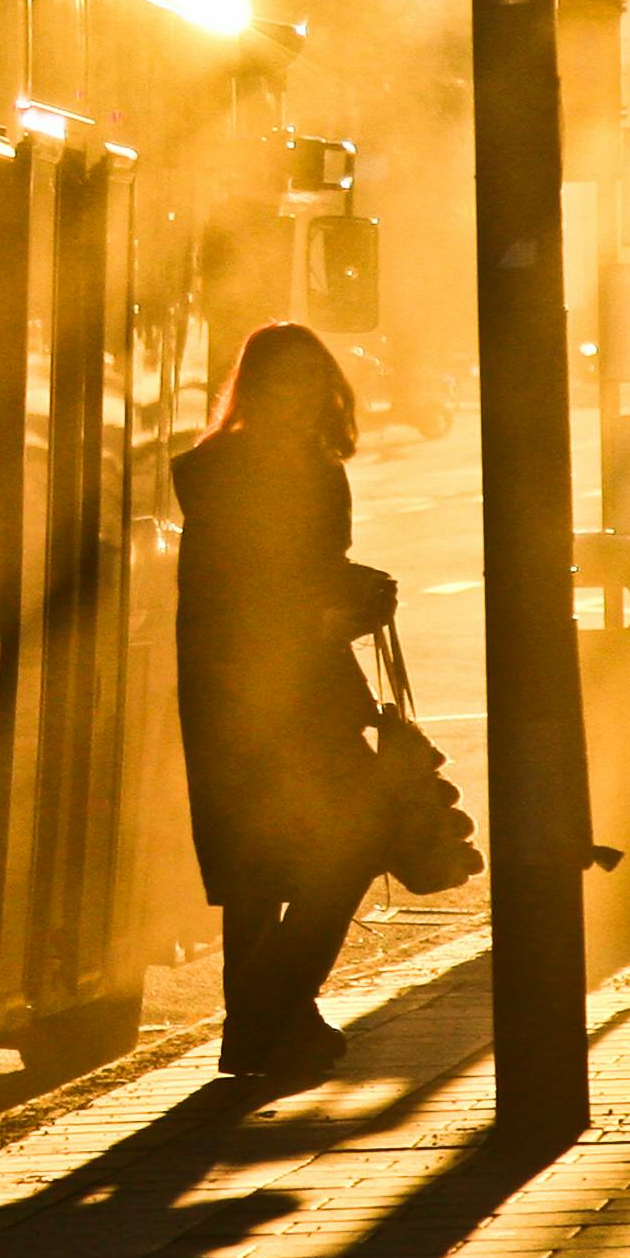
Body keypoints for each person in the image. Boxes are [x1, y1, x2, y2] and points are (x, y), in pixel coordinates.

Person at [172, 323, 398, 1083]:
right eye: (286, 382)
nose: (301, 397)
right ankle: (272, 1006)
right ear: (258, 390)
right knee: (347, 844)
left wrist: (351, 589)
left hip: (240, 692)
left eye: (312, 382)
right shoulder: (243, 473)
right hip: (276, 692)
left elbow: (296, 573)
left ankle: (261, 1031)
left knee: (259, 871)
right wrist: (343, 602)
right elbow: (254, 588)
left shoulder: (222, 469)